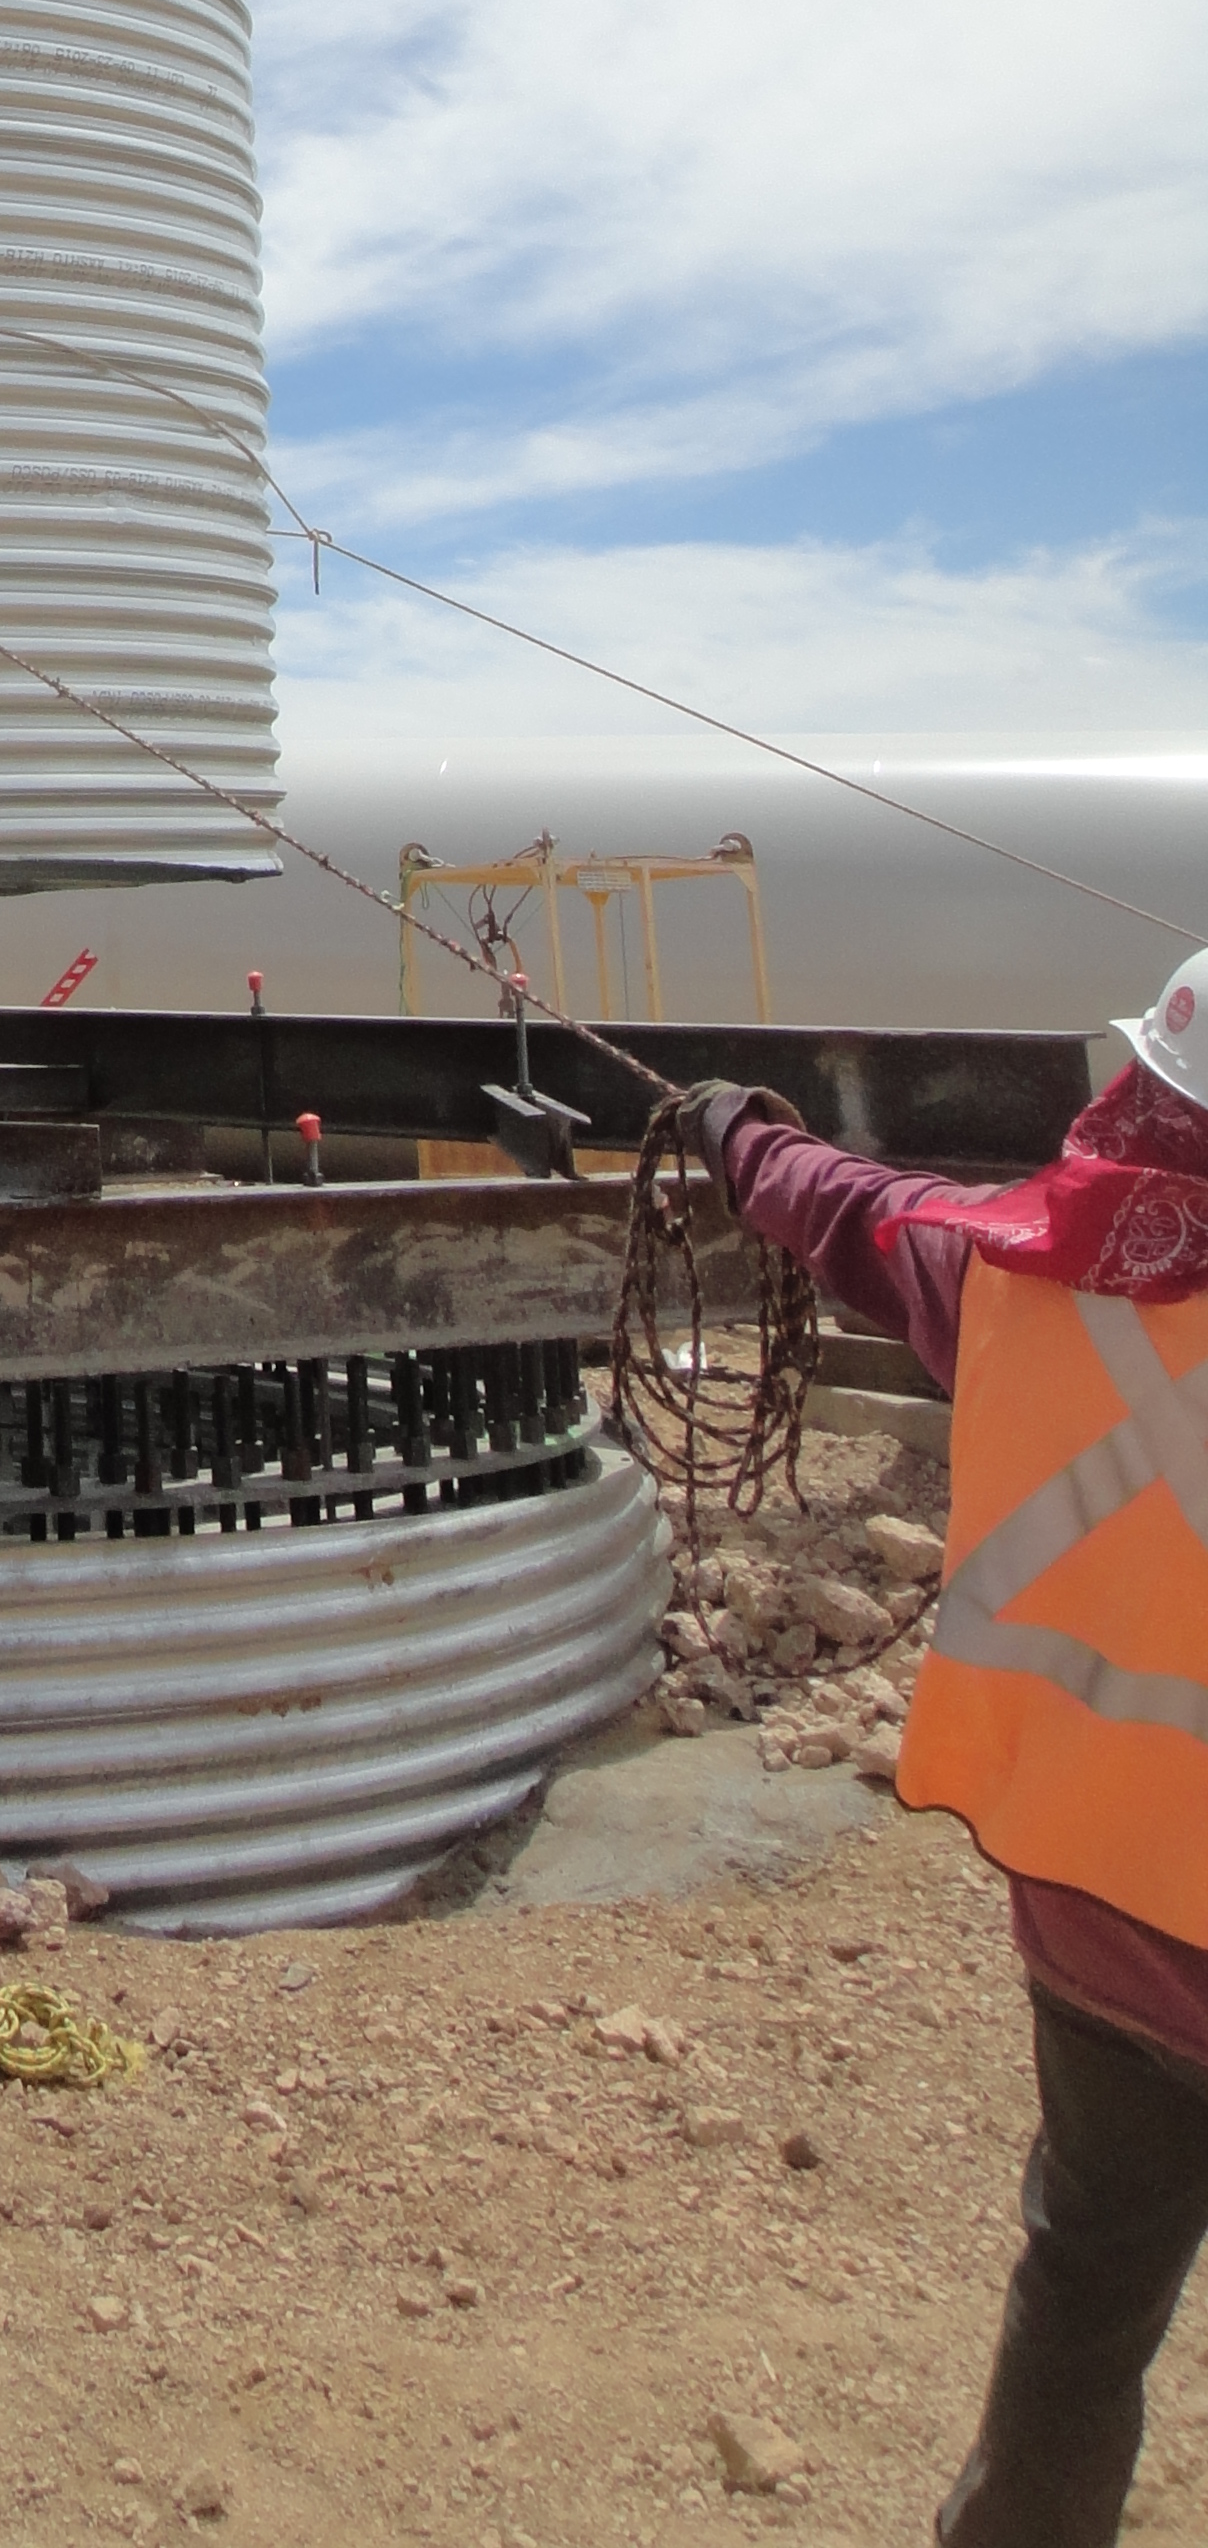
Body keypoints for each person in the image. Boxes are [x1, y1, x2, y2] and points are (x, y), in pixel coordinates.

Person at [695, 939, 1208, 2548]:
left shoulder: (1005, 1274)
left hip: (1108, 1906)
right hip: (1111, 1902)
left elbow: (850, 1210)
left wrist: (729, 1131)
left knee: (1088, 2290)